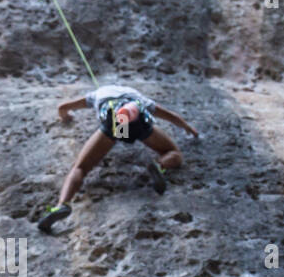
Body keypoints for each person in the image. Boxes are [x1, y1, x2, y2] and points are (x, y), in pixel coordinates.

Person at [37, 83, 200, 233]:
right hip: (138, 124)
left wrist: (65, 117)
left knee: (80, 168)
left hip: (114, 125)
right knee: (174, 153)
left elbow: (63, 107)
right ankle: (159, 165)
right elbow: (170, 115)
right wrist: (187, 127)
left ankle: (62, 204)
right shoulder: (137, 96)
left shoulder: (98, 94)